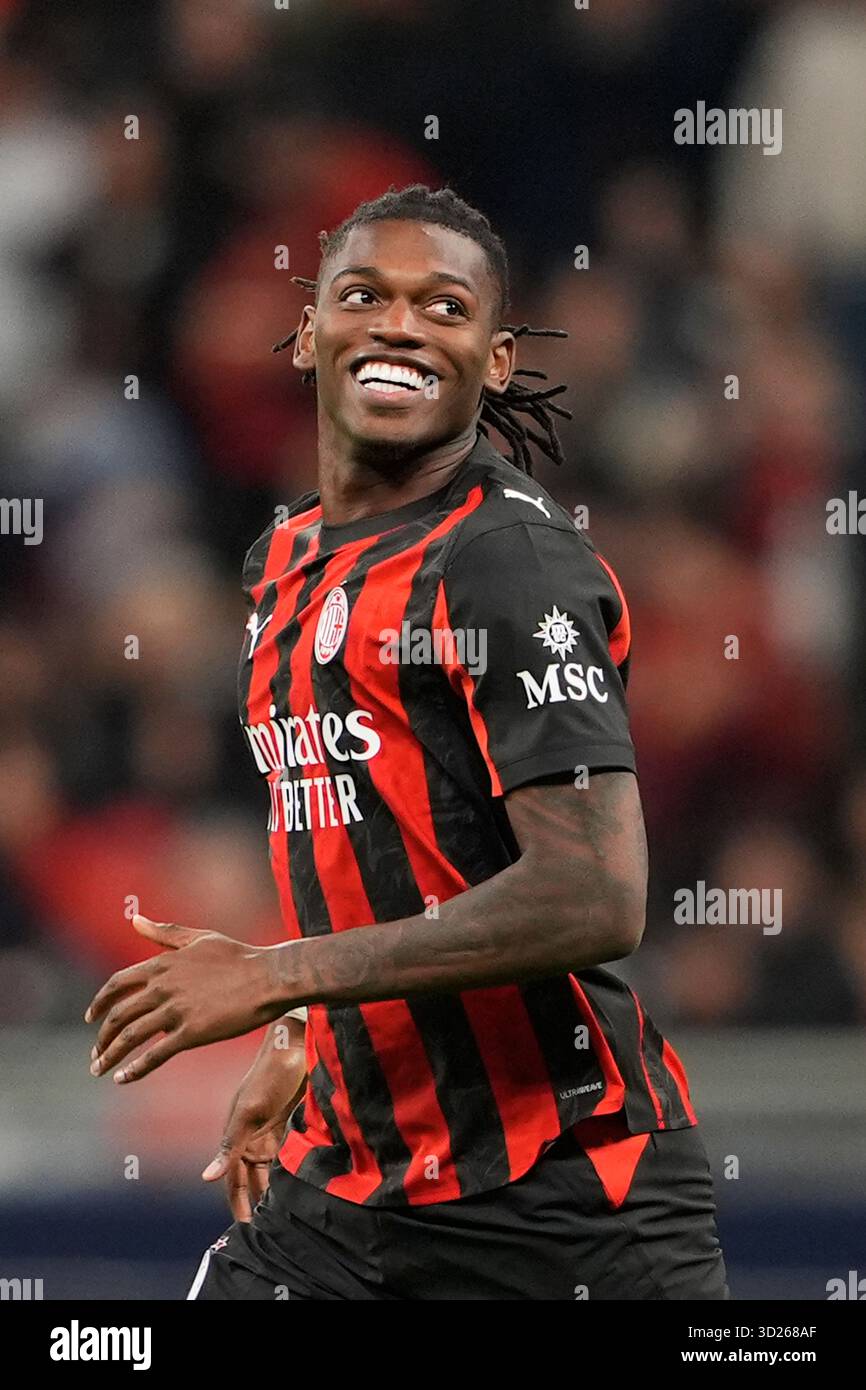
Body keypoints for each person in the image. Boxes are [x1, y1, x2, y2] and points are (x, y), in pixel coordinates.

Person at [86, 184, 729, 1300]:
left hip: (562, 1202)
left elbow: (592, 895)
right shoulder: (280, 562)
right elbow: (367, 846)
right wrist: (304, 1039)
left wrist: (273, 977)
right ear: (305, 334)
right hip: (343, 1196)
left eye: (442, 307)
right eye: (363, 295)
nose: (398, 324)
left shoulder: (503, 566)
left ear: (494, 358)